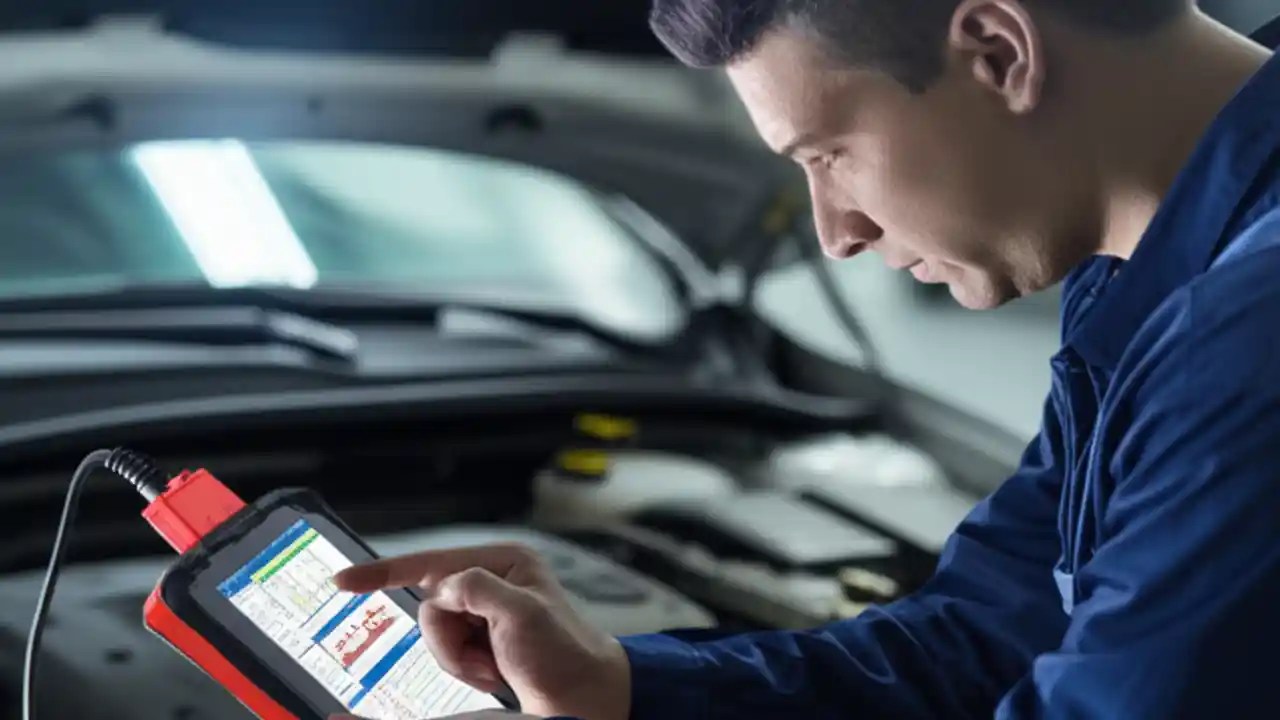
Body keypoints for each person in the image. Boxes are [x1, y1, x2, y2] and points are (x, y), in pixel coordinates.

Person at [332, 1, 1280, 717]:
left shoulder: (1243, 335)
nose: (835, 231)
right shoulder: (1137, 284)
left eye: (827, 155)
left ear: (998, 50)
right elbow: (986, 635)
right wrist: (623, 688)